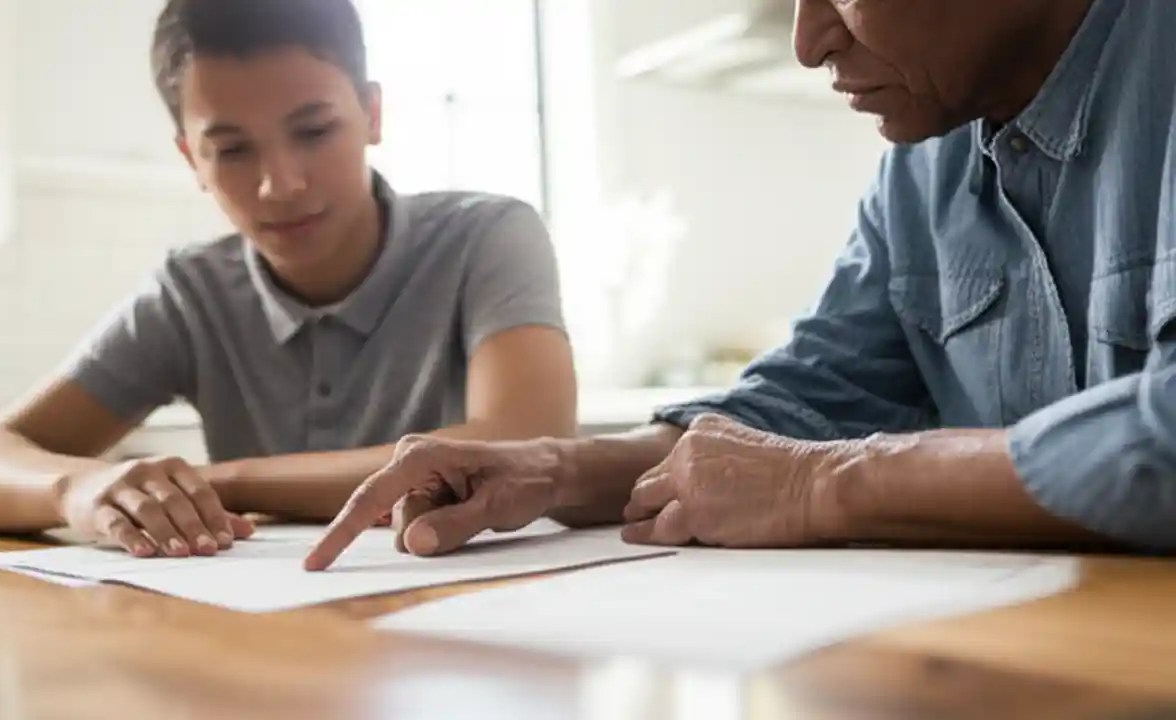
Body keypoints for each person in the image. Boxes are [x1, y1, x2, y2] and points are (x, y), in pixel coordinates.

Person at [306, 0, 1176, 571]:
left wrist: (825, 483)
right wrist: (556, 469)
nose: (807, 42)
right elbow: (808, 399)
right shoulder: (920, 172)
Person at [0, 0, 576, 559]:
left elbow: (524, 439)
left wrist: (223, 481)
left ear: (372, 113)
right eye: (233, 150)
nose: (280, 184)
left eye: (315, 131)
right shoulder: (190, 294)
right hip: (257, 641)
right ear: (191, 158)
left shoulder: (486, 235)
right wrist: (80, 488)